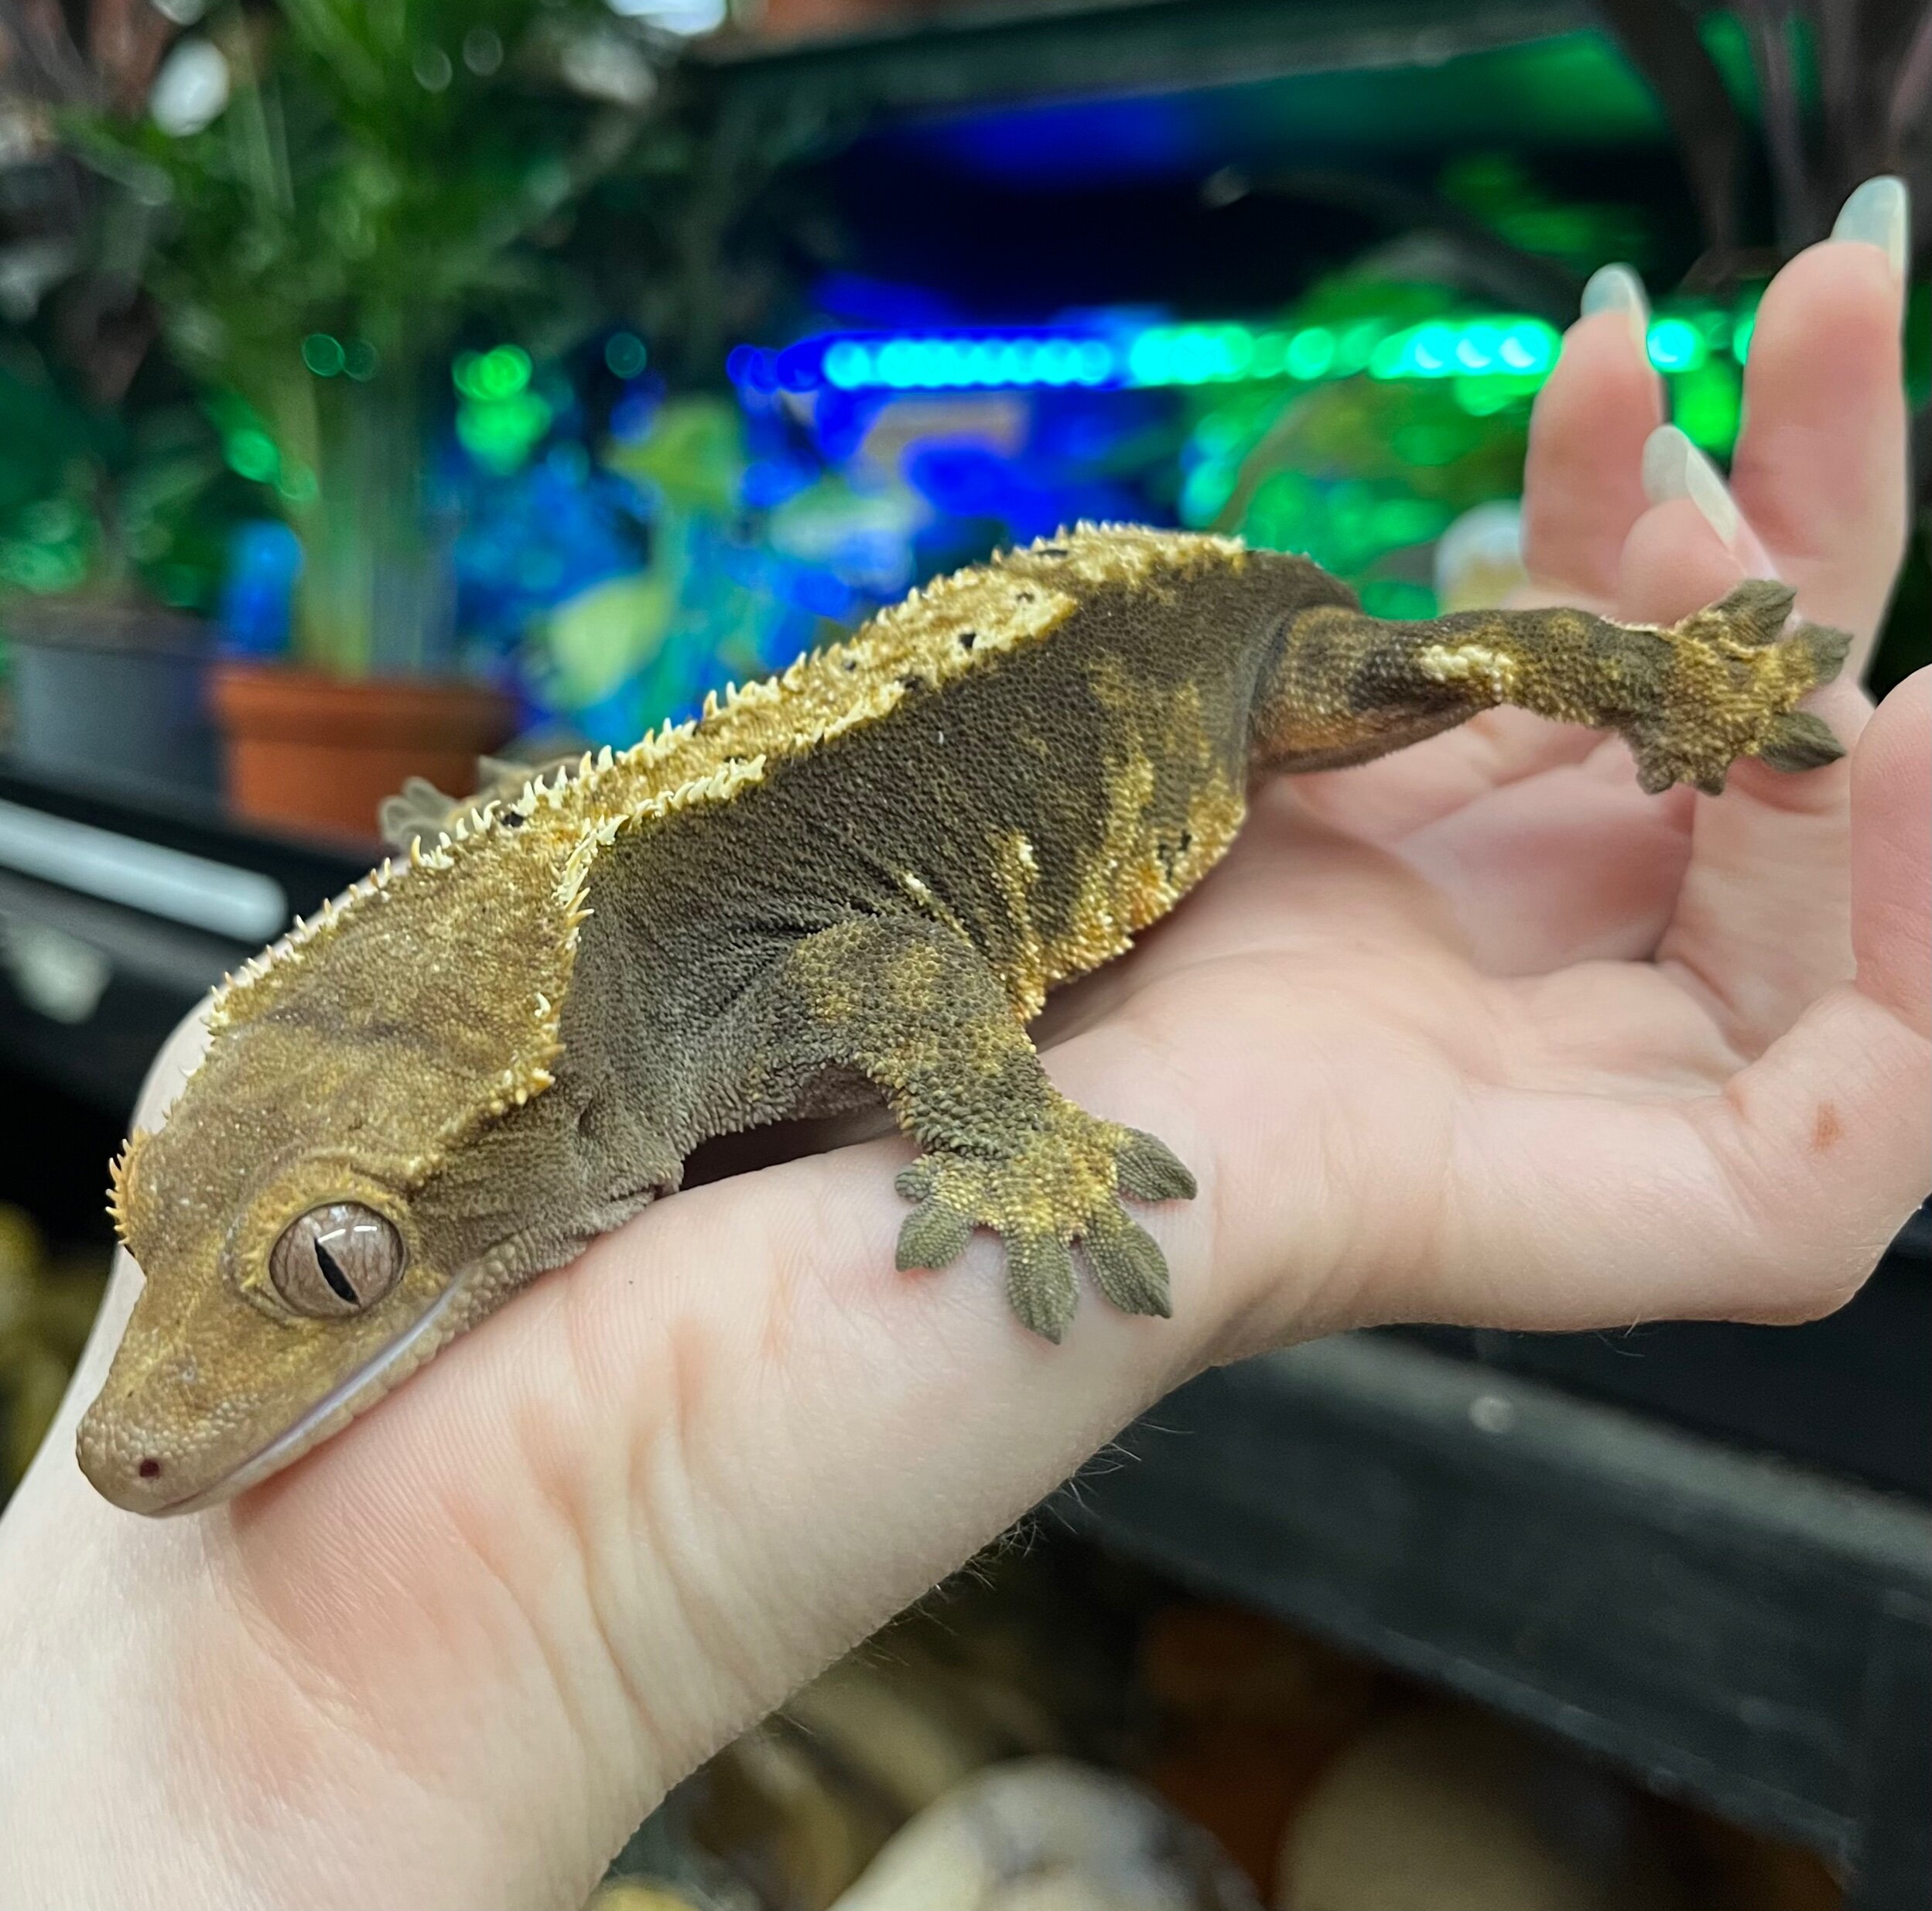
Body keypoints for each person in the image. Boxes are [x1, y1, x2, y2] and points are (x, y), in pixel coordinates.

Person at [1, 179, 1925, 1911]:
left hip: (1203, 644)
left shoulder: (699, 1015)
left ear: (551, 1111)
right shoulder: (550, 998)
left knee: (1406, 674)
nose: (127, 1438)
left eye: (342, 1263)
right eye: (171, 1225)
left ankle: (1653, 667)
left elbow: (903, 986)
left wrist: (1020, 1143)